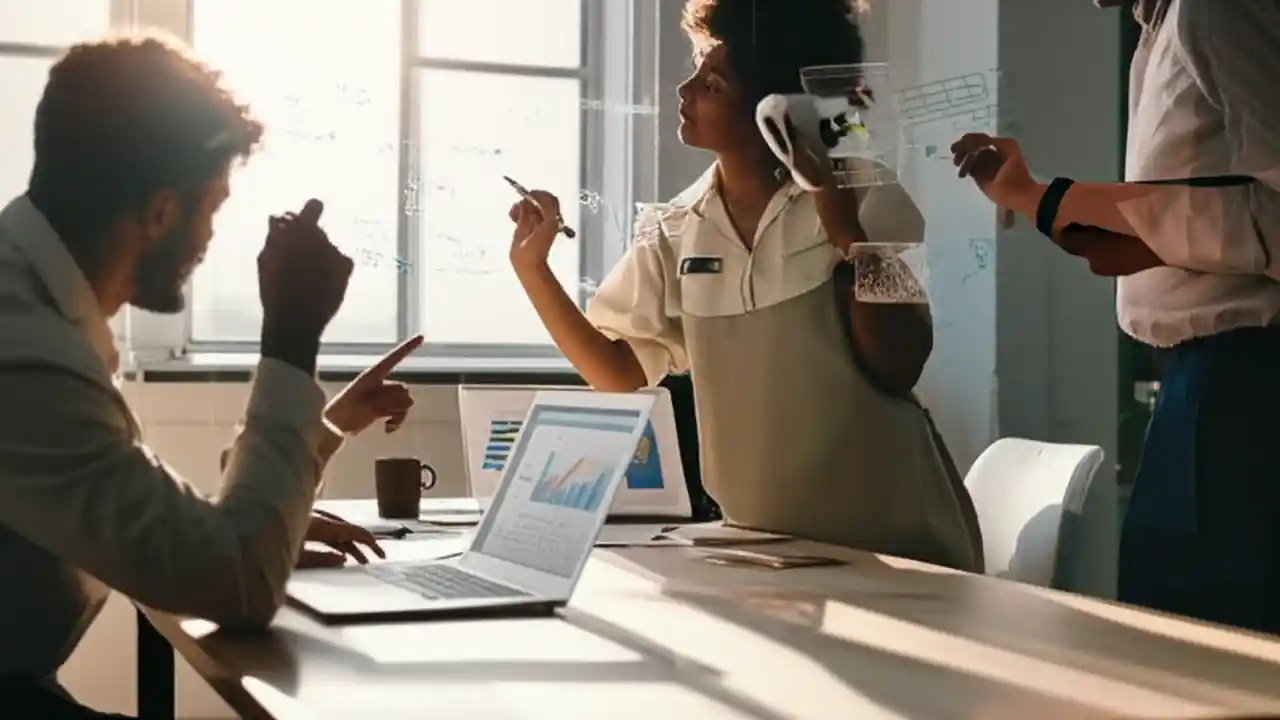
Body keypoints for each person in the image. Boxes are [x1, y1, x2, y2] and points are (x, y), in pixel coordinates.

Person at [0, 37, 423, 717]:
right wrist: (291, 335)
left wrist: (278, 513)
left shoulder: (35, 306)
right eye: (213, 208)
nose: (209, 239)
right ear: (162, 211)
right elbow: (238, 585)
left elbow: (155, 517)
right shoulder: (26, 353)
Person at [507, 0, 983, 571]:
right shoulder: (676, 227)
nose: (683, 91)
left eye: (711, 83)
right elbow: (616, 372)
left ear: (776, 109)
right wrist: (534, 270)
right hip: (762, 552)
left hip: (897, 544)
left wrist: (845, 231)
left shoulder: (868, 194)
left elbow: (901, 361)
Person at [951, 0, 1280, 633]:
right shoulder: (1159, 28)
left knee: (1204, 654)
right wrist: (1035, 199)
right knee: (1171, 641)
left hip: (1245, 388)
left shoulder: (1217, 11)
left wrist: (1072, 205)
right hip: (1198, 391)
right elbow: (1186, 223)